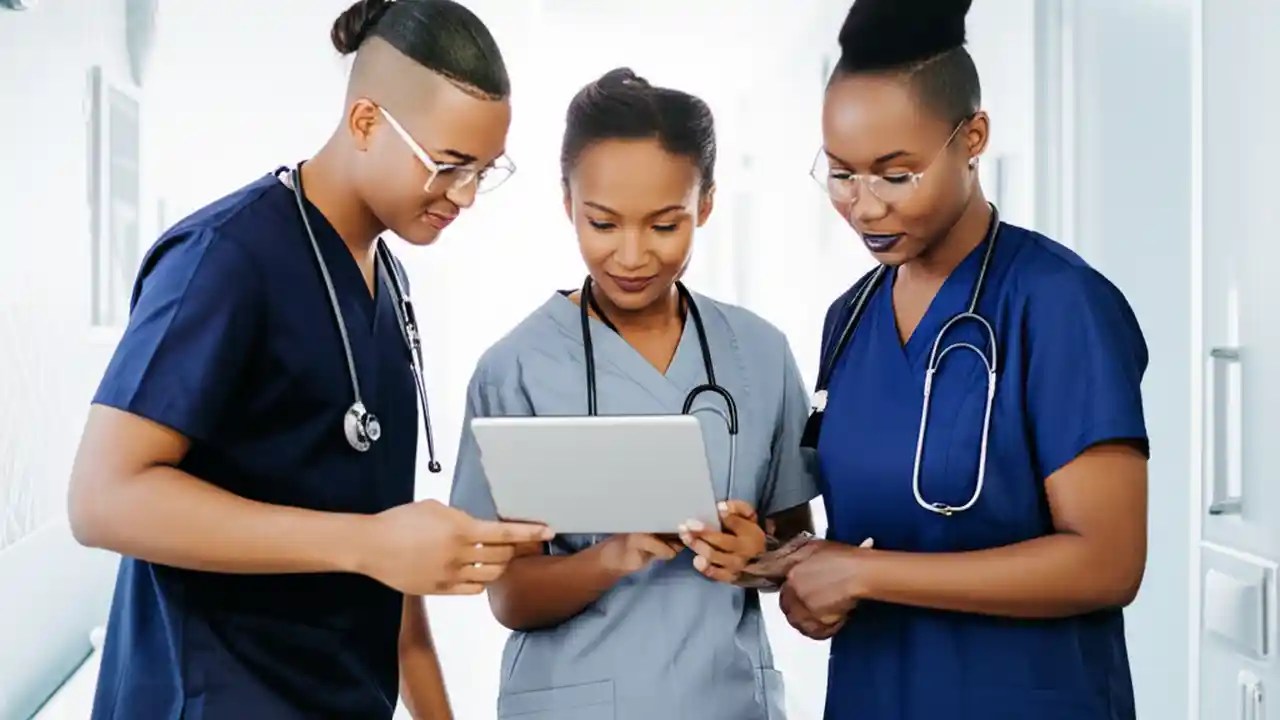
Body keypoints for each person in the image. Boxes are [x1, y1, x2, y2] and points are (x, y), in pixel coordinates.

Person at [67, 2, 552, 718]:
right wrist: (368, 543)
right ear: (364, 123)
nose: (467, 196)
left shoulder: (389, 283)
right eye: (448, 166)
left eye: (484, 170)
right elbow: (101, 499)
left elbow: (386, 557)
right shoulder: (225, 258)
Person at [779, 0, 1150, 718]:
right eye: (841, 174)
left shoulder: (1058, 303)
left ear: (971, 137)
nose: (865, 208)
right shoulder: (848, 319)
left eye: (896, 174)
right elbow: (868, 537)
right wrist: (797, 572)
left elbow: (1107, 563)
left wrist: (863, 572)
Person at [448, 67, 820, 719]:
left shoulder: (759, 353)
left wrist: (754, 558)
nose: (631, 254)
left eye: (664, 225)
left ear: (704, 205)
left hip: (727, 700)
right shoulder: (516, 369)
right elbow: (509, 596)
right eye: (603, 223)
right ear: (568, 203)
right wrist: (615, 555)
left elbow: (797, 552)